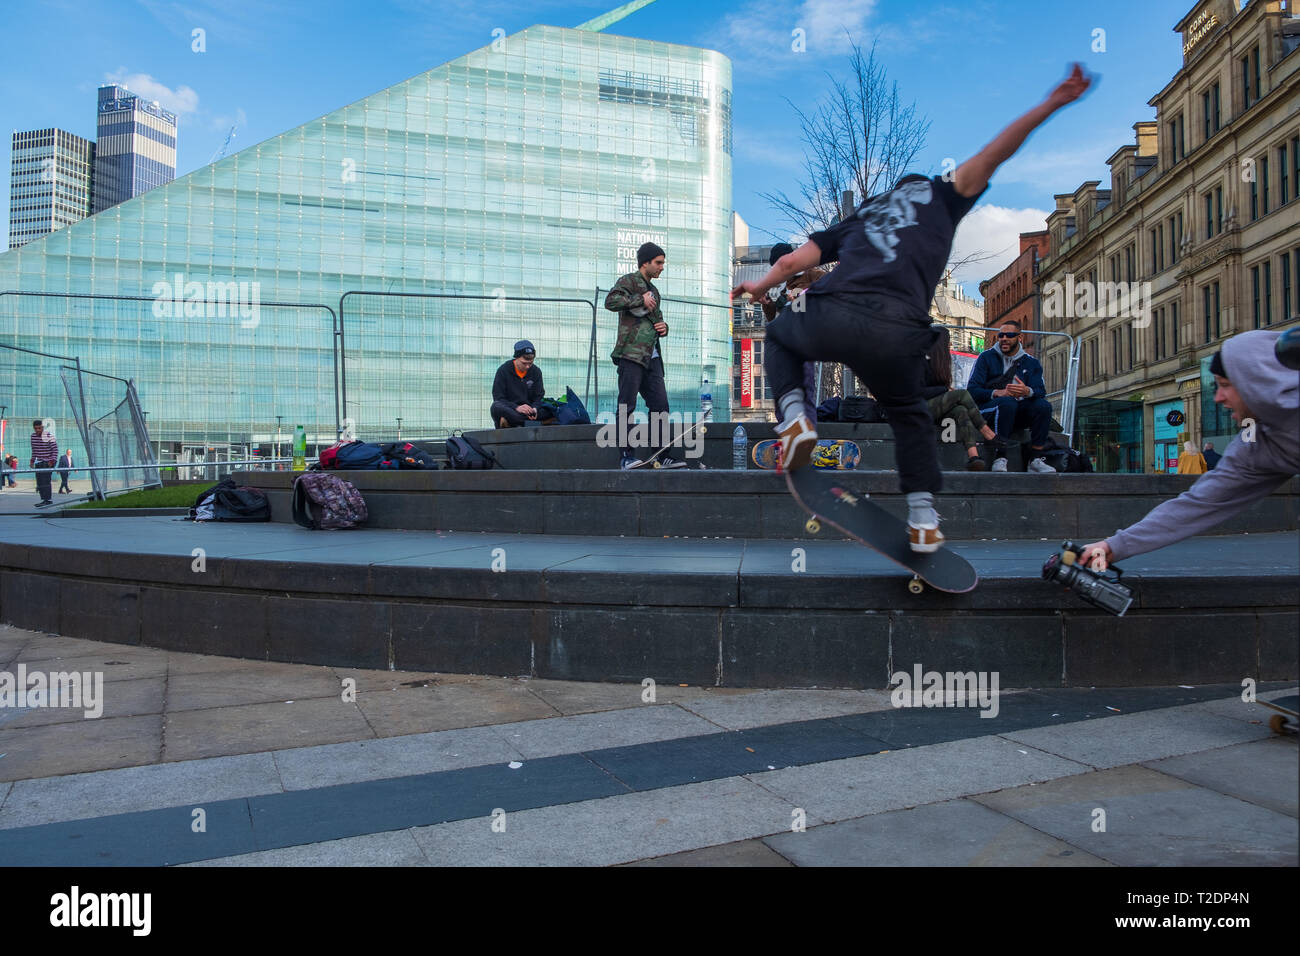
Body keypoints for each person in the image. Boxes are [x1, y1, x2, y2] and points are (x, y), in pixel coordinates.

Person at [731, 64, 1093, 552]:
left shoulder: (865, 213)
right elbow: (994, 154)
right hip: (899, 333)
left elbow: (795, 259)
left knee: (778, 336)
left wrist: (761, 287)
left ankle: (796, 418)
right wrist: (1052, 103)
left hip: (833, 312)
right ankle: (923, 518)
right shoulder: (943, 196)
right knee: (908, 416)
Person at [1080, 329, 1298, 571]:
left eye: (1225, 385)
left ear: (1257, 380)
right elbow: (1200, 503)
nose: (1218, 397)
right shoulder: (1257, 447)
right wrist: (1113, 547)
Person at [606, 242, 684, 469]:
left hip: (653, 356)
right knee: (626, 405)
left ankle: (661, 455)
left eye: (663, 263)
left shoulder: (655, 291)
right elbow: (610, 301)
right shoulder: (629, 281)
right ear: (645, 263)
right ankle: (626, 456)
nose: (662, 267)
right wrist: (639, 299)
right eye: (658, 263)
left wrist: (664, 327)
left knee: (660, 406)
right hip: (631, 355)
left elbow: (657, 319)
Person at [967, 320, 1055, 473]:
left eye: (1009, 335)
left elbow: (1040, 391)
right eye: (1001, 335)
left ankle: (1035, 459)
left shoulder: (1031, 363)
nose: (1004, 338)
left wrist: (1027, 391)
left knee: (1043, 406)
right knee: (1007, 403)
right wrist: (996, 393)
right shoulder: (986, 357)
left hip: (1017, 410)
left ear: (1019, 338)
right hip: (988, 410)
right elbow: (972, 390)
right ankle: (1000, 457)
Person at [922, 326, 1000, 471]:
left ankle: (974, 457)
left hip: (933, 409)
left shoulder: (939, 363)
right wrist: (945, 390)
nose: (950, 346)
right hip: (916, 410)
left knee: (960, 410)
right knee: (962, 394)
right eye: (948, 342)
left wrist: (945, 391)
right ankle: (988, 434)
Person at [762, 243, 824, 422]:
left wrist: (798, 296)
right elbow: (772, 317)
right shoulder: (783, 286)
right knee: (783, 382)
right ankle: (785, 423)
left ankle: (806, 424)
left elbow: (823, 295)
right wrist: (767, 304)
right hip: (786, 338)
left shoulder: (813, 275)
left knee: (804, 381)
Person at [490, 340, 554, 428]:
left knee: (553, 409)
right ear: (516, 358)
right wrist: (517, 407)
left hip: (530, 412)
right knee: (496, 407)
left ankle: (514, 423)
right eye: (524, 363)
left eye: (530, 363)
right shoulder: (503, 370)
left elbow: (539, 396)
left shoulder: (536, 371)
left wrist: (534, 409)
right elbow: (498, 397)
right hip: (513, 410)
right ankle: (538, 423)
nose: (527, 366)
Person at [30, 419, 58, 507]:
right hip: (39, 461)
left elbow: (55, 450)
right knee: (39, 482)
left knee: (46, 481)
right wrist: (32, 460)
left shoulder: (49, 436)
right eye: (36, 428)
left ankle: (48, 499)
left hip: (48, 461)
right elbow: (34, 450)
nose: (38, 430)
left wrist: (52, 461)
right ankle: (44, 499)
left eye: (39, 428)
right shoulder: (33, 436)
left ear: (42, 427)